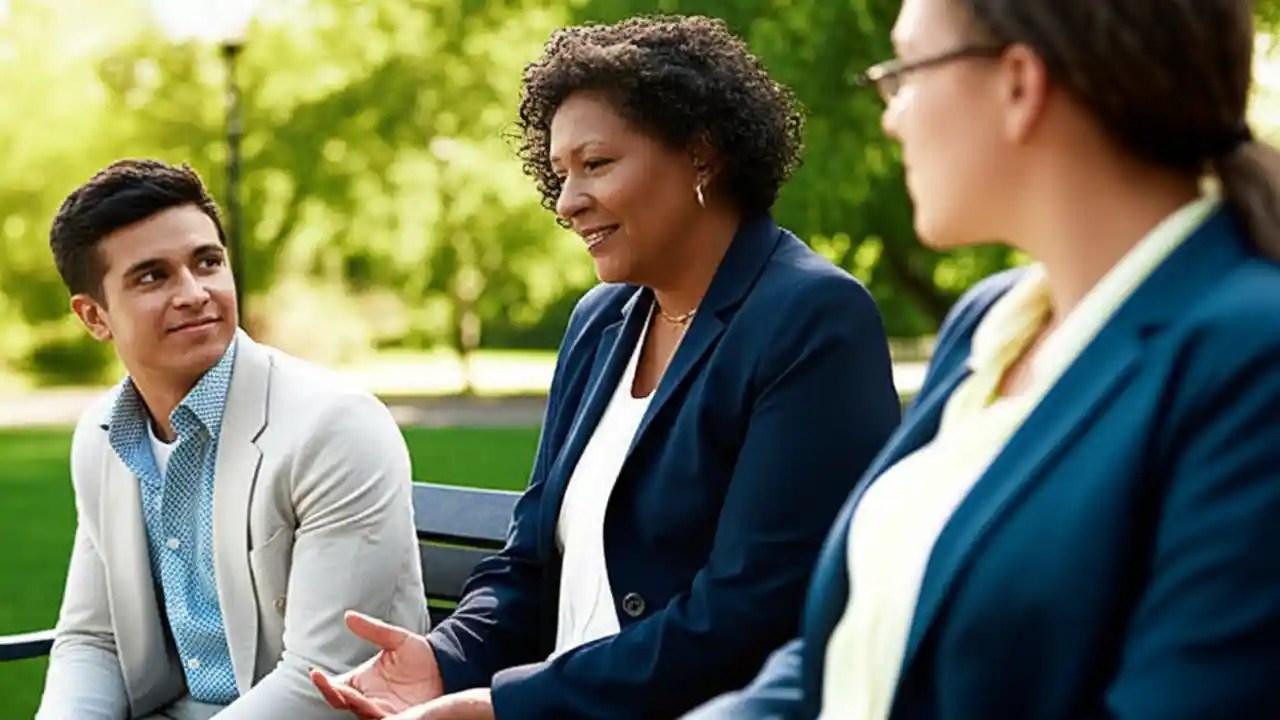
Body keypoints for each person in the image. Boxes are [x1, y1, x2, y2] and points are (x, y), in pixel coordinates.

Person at [685, 0, 1280, 718]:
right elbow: (860, 642)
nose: (891, 116)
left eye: (906, 70)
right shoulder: (989, 323)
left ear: (1018, 84)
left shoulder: (1250, 362)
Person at [310, 14, 901, 720]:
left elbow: (750, 613)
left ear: (701, 154)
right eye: (560, 174)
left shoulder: (812, 319)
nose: (567, 202)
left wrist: (511, 703)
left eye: (595, 164)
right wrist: (445, 656)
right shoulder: (602, 321)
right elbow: (529, 558)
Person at [35, 159, 428, 720]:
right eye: (152, 277)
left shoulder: (335, 428)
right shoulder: (103, 437)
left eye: (207, 262)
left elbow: (324, 680)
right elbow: (94, 640)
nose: (194, 293)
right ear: (94, 316)